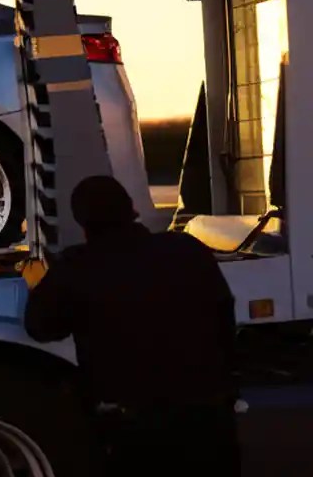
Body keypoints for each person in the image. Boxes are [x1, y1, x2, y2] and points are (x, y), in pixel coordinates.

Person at [24, 174, 241, 477]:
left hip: (135, 432)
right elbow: (224, 319)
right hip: (208, 422)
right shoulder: (187, 250)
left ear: (82, 224)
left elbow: (41, 327)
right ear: (132, 210)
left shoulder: (77, 268)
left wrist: (38, 283)